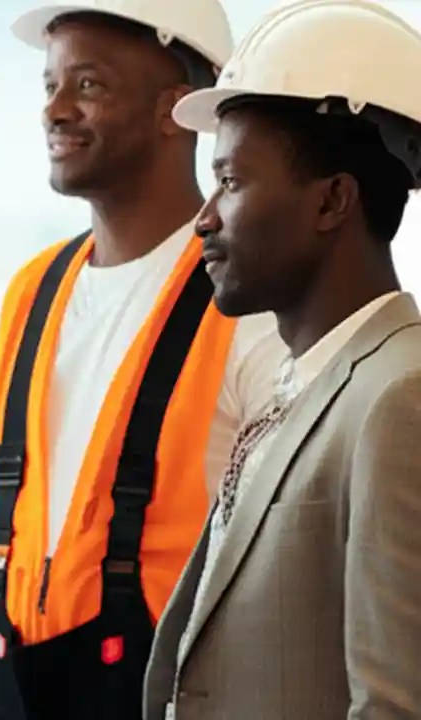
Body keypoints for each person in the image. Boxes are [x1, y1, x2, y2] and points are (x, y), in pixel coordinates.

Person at [0, 2, 288, 719]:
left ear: (175, 110)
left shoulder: (248, 309)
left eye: (88, 85)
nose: (55, 111)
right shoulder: (22, 297)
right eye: (48, 86)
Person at [146, 2, 421, 717]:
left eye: (231, 183)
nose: (204, 218)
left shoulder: (401, 396)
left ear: (333, 201)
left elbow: (397, 703)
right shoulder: (304, 383)